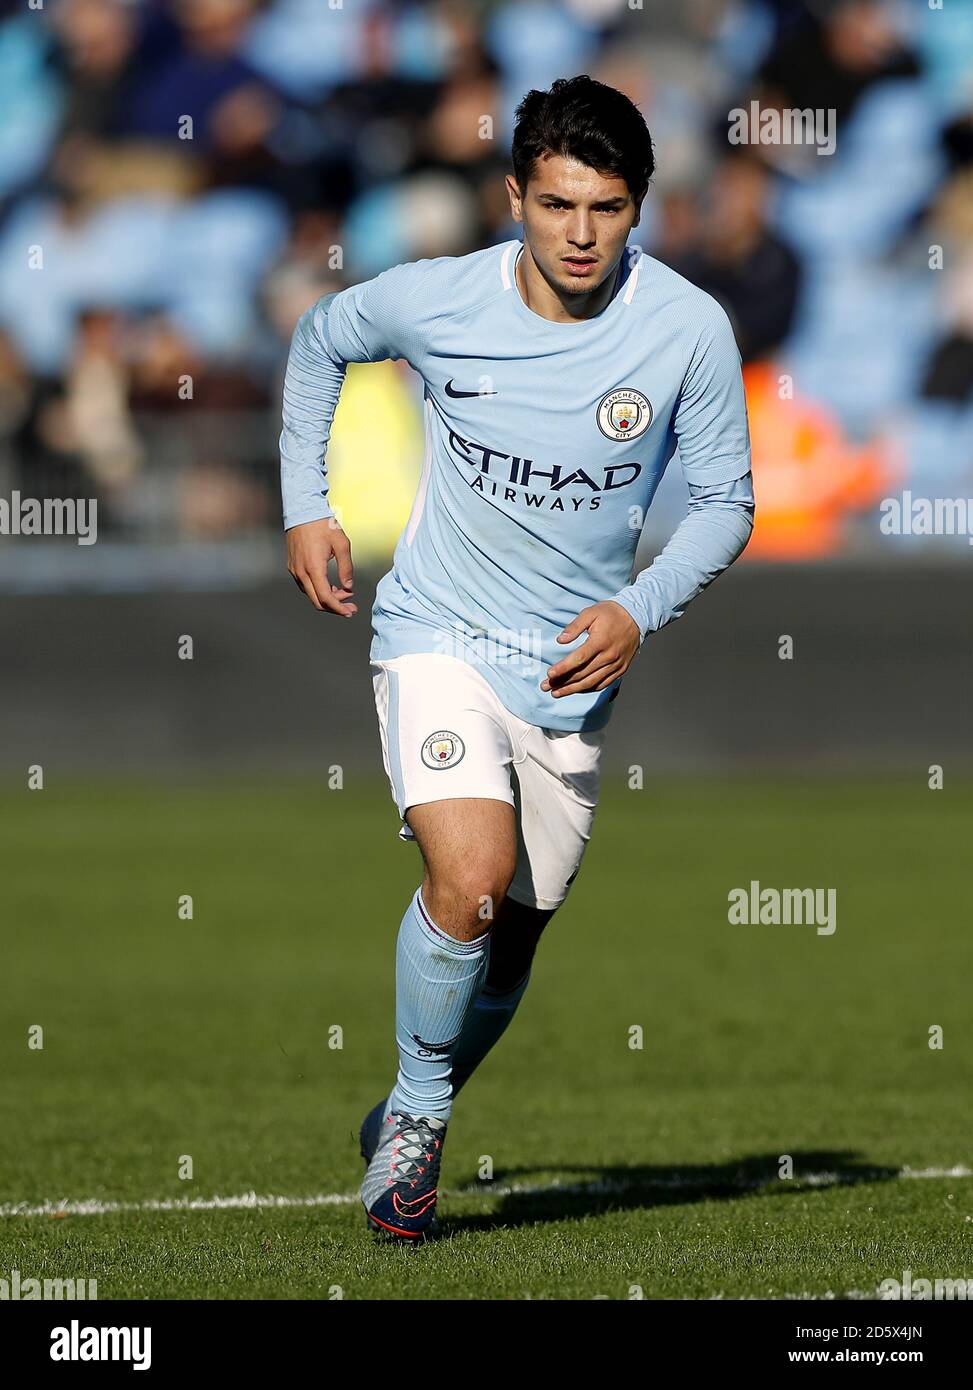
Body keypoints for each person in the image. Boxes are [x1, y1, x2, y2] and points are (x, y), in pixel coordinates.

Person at [279, 75, 755, 1241]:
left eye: (605, 208)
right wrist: (307, 503)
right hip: (436, 632)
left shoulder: (687, 328)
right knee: (471, 875)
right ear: (514, 198)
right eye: (555, 205)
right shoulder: (442, 300)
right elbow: (318, 339)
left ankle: (403, 1099)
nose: (579, 234)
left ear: (639, 207)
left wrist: (639, 608)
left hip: (569, 679)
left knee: (514, 928)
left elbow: (726, 504)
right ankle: (419, 1130)